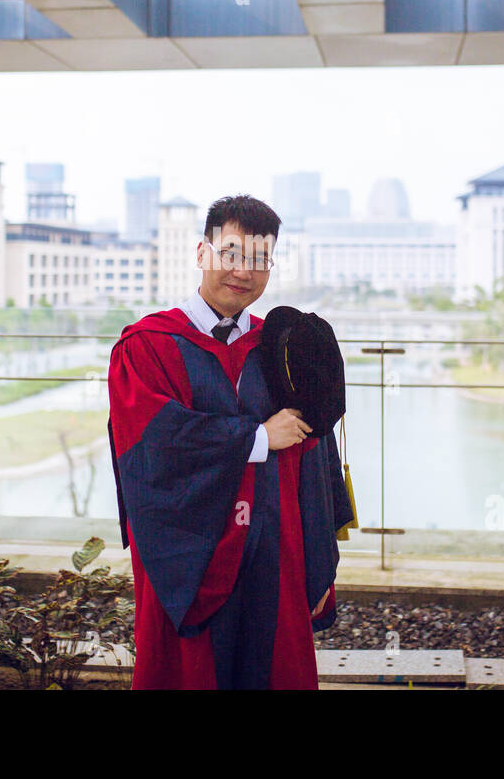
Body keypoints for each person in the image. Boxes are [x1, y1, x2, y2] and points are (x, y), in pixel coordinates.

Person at [106, 194, 354, 689]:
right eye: (231, 254)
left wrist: (318, 557)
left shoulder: (283, 347)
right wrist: (256, 438)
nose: (244, 271)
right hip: (188, 555)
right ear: (202, 253)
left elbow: (316, 455)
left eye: (260, 260)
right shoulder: (147, 346)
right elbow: (154, 443)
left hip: (274, 548)